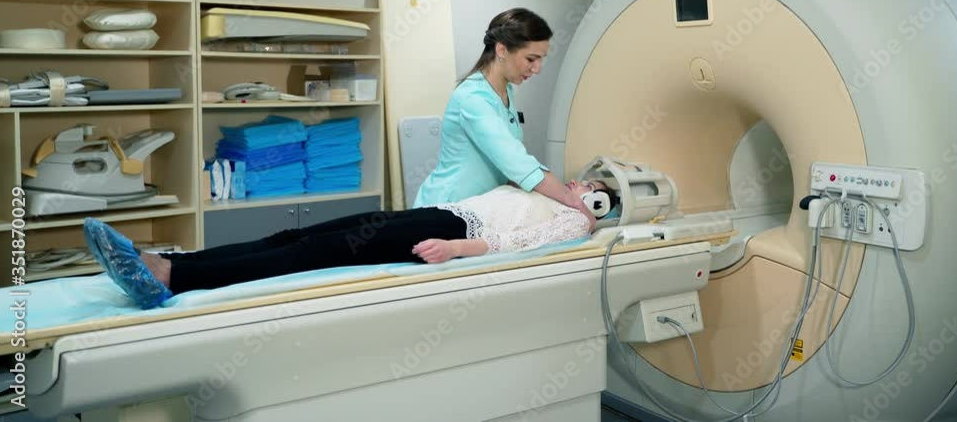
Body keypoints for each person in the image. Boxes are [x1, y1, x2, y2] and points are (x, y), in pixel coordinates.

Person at [83, 180, 618, 309]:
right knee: (294, 235)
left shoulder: (575, 225)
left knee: (308, 255)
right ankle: (168, 261)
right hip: (436, 214)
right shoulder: (544, 187)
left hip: (448, 234)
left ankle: (171, 280)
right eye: (585, 181)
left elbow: (512, 243)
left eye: (593, 193)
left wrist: (455, 250)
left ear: (598, 208)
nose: (580, 188)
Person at [414, 7, 597, 230]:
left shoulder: (506, 91)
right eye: (531, 58)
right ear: (502, 49)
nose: (537, 68)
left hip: (483, 210)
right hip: (447, 208)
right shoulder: (472, 98)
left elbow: (510, 168)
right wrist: (574, 201)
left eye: (541, 59)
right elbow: (515, 160)